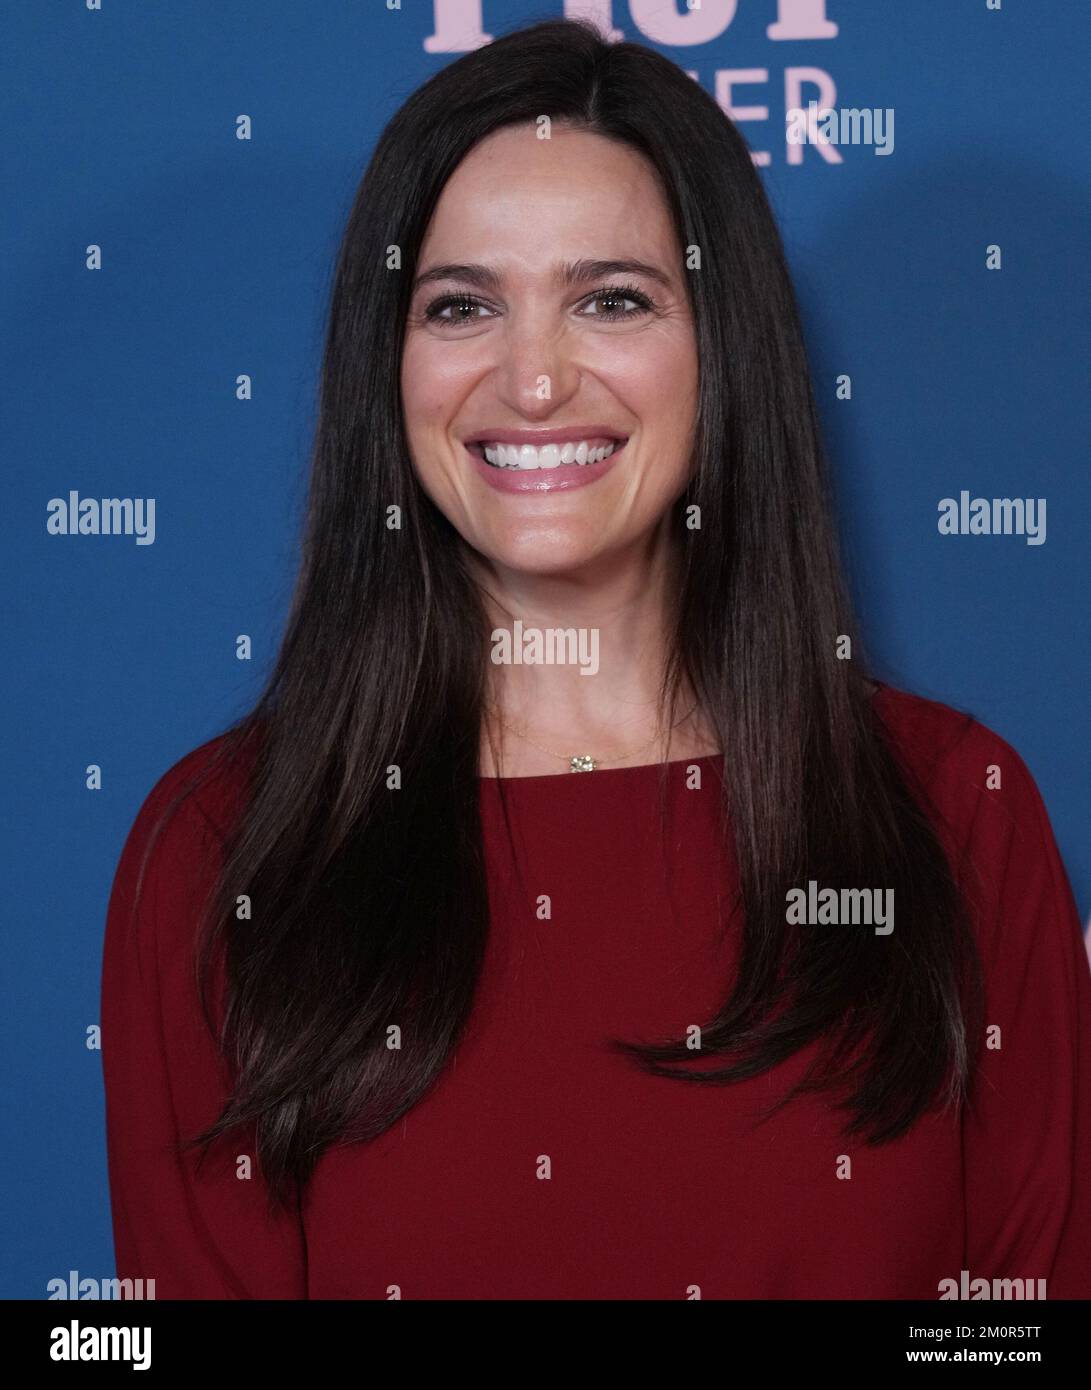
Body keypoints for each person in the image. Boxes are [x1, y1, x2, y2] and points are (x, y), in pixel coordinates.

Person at [101, 18, 1091, 1299]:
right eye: (461, 306)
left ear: (721, 348)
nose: (532, 379)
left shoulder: (959, 814)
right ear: (385, 365)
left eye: (610, 298)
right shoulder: (220, 852)